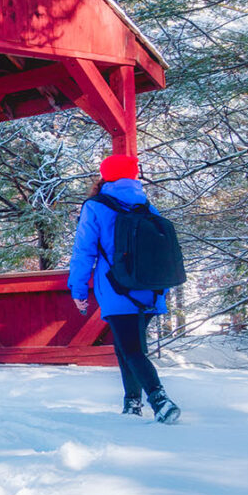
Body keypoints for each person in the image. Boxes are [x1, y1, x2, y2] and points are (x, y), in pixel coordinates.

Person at [69, 154, 180, 423]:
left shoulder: (96, 206)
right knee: (127, 347)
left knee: (130, 349)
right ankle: (131, 403)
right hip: (151, 289)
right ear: (133, 175)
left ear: (105, 175)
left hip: (118, 289)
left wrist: (78, 290)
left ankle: (159, 400)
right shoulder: (146, 206)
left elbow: (84, 251)